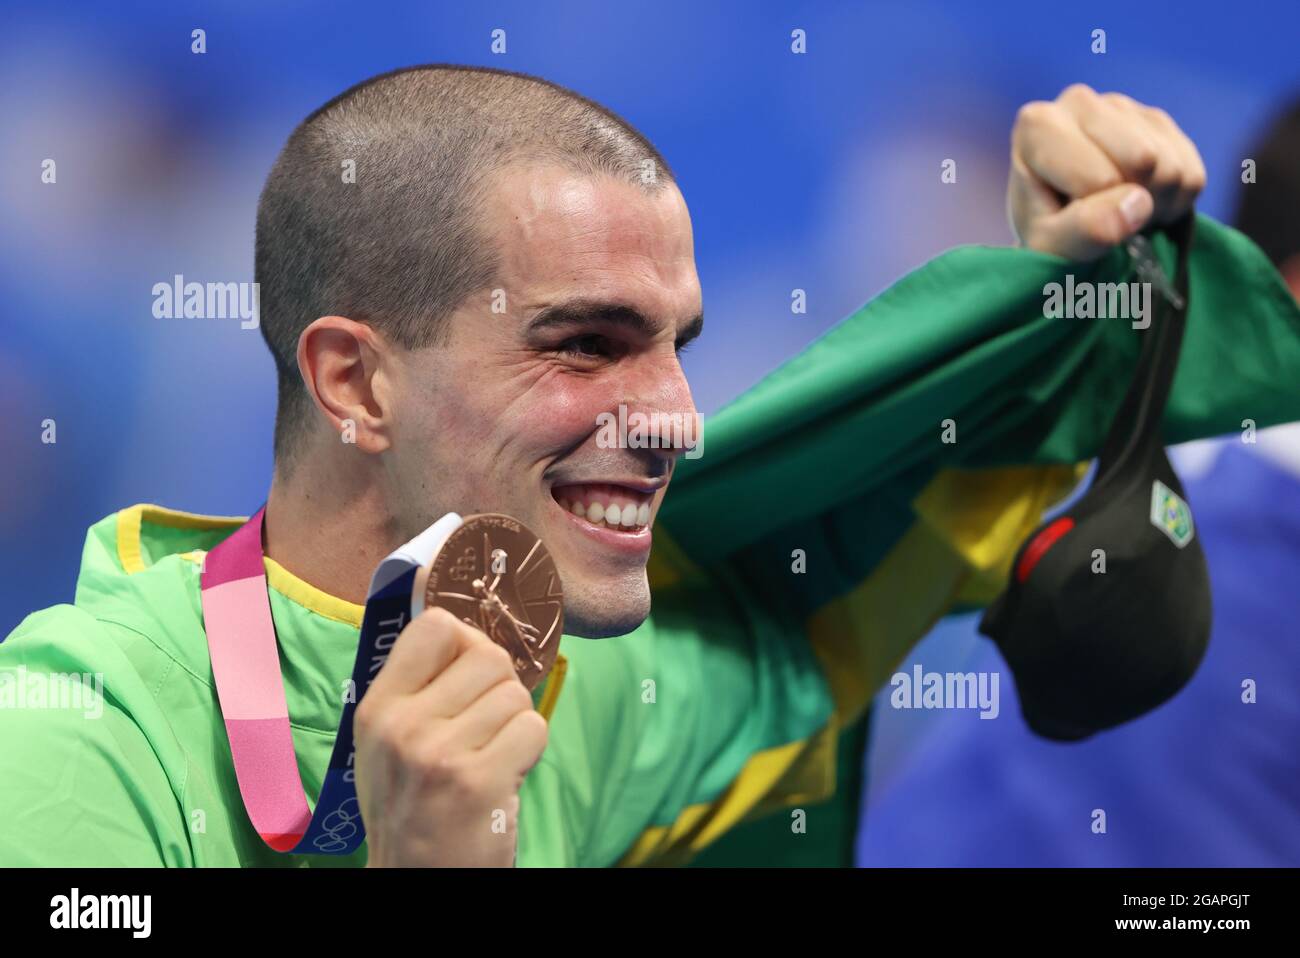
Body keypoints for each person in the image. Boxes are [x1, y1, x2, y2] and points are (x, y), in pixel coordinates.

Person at [2, 66, 1297, 867]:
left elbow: (844, 559)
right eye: (585, 344)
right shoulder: (71, 752)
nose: (677, 416)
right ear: (355, 379)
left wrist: (1053, 305)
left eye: (677, 347)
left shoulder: (607, 683)